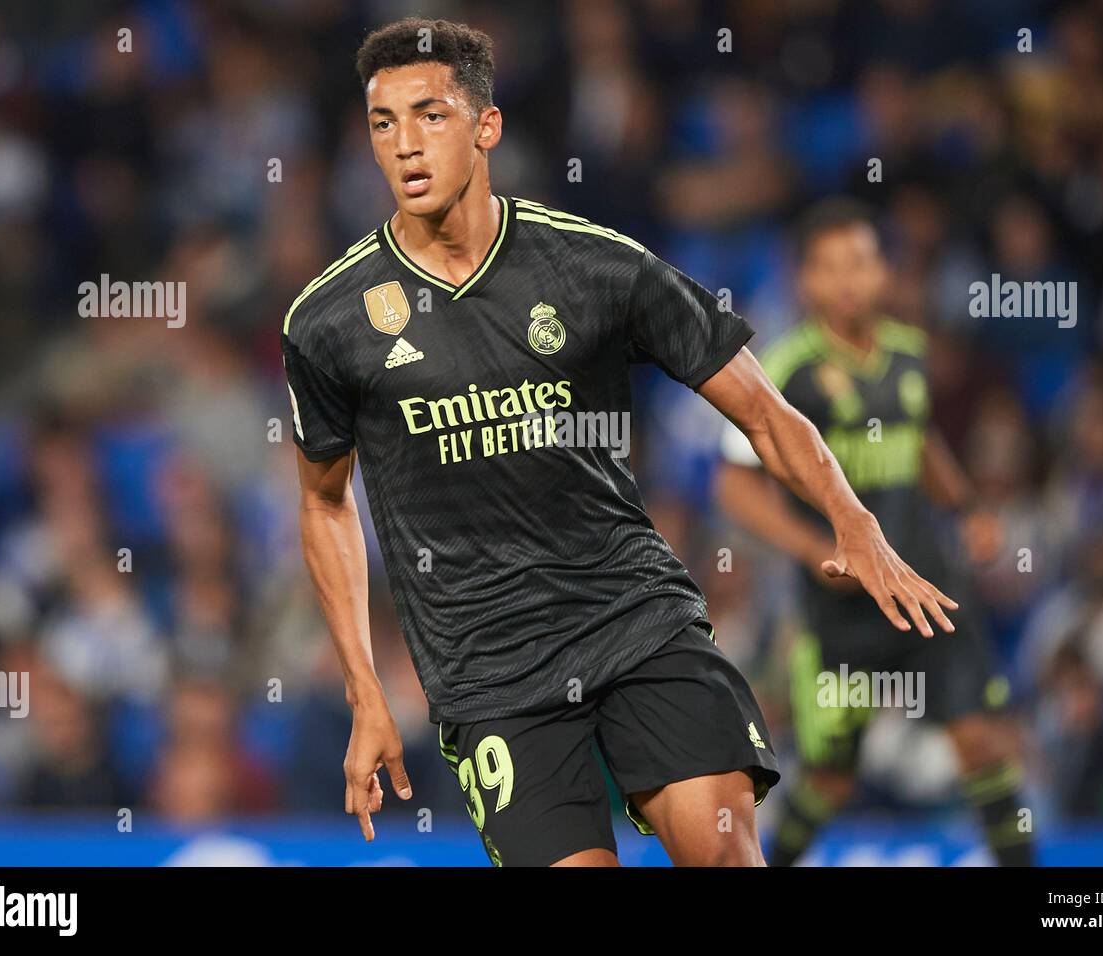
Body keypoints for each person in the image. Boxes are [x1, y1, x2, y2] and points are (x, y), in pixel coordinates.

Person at [282, 19, 955, 867]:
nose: (405, 146)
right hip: (489, 674)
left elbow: (764, 410)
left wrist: (852, 519)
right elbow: (323, 499)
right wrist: (364, 689)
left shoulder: (595, 266)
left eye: (432, 116)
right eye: (384, 123)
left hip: (635, 621)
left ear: (487, 127)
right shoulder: (331, 319)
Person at [717, 198, 1033, 866]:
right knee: (832, 776)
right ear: (804, 281)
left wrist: (969, 508)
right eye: (829, 267)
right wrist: (808, 549)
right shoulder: (779, 372)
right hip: (842, 608)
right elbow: (734, 485)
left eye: (861, 262)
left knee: (981, 740)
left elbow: (920, 448)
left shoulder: (910, 356)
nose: (848, 280)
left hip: (925, 586)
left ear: (884, 272)